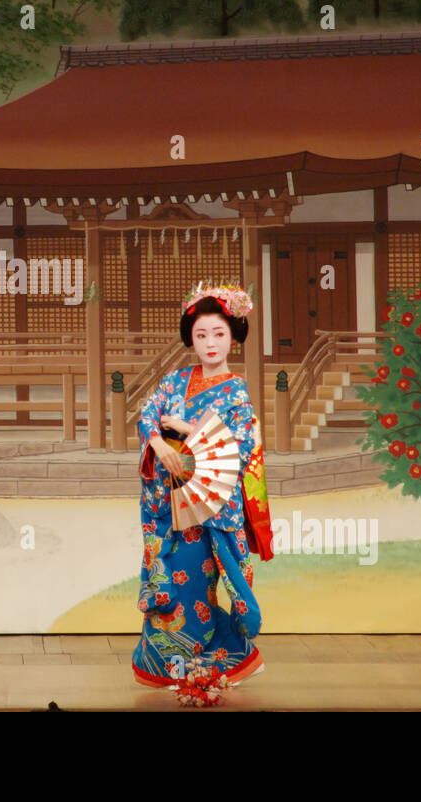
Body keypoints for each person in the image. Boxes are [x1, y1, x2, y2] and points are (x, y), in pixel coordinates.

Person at [132, 282, 274, 687]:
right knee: (166, 580)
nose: (210, 343)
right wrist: (158, 441)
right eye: (201, 335)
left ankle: (212, 664)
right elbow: (148, 414)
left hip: (206, 511)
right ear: (190, 339)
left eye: (218, 334)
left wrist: (182, 428)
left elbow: (233, 449)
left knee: (198, 588)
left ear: (233, 337)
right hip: (166, 506)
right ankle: (166, 666)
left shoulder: (237, 393)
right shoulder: (175, 380)